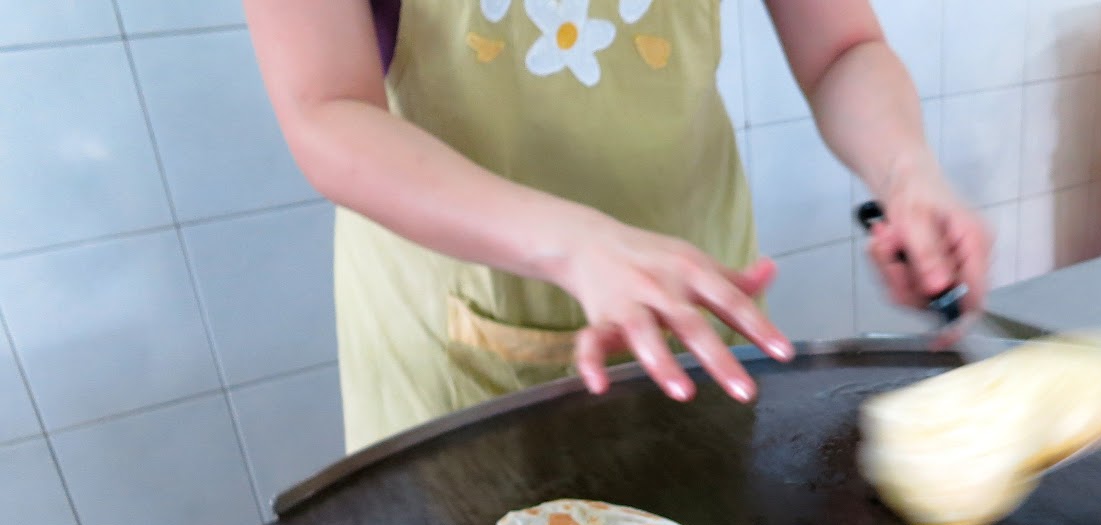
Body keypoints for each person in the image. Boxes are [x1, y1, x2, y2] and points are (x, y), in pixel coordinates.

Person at [244, 0, 992, 452]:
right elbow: (327, 112)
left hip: (696, 310)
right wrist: (573, 242)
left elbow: (842, 48)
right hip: (460, 338)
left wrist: (905, 173)